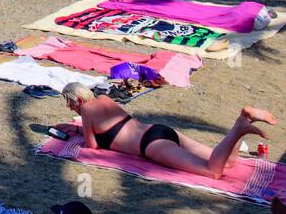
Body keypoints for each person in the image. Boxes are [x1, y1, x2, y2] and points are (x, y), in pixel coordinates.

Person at [58, 84, 276, 181]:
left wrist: (78, 132)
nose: (72, 109)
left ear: (77, 100)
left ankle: (239, 126)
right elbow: (110, 126)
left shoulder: (85, 109)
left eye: (70, 105)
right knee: (226, 162)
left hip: (151, 146)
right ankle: (244, 121)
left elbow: (93, 146)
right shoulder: (104, 99)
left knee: (212, 172)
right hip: (158, 130)